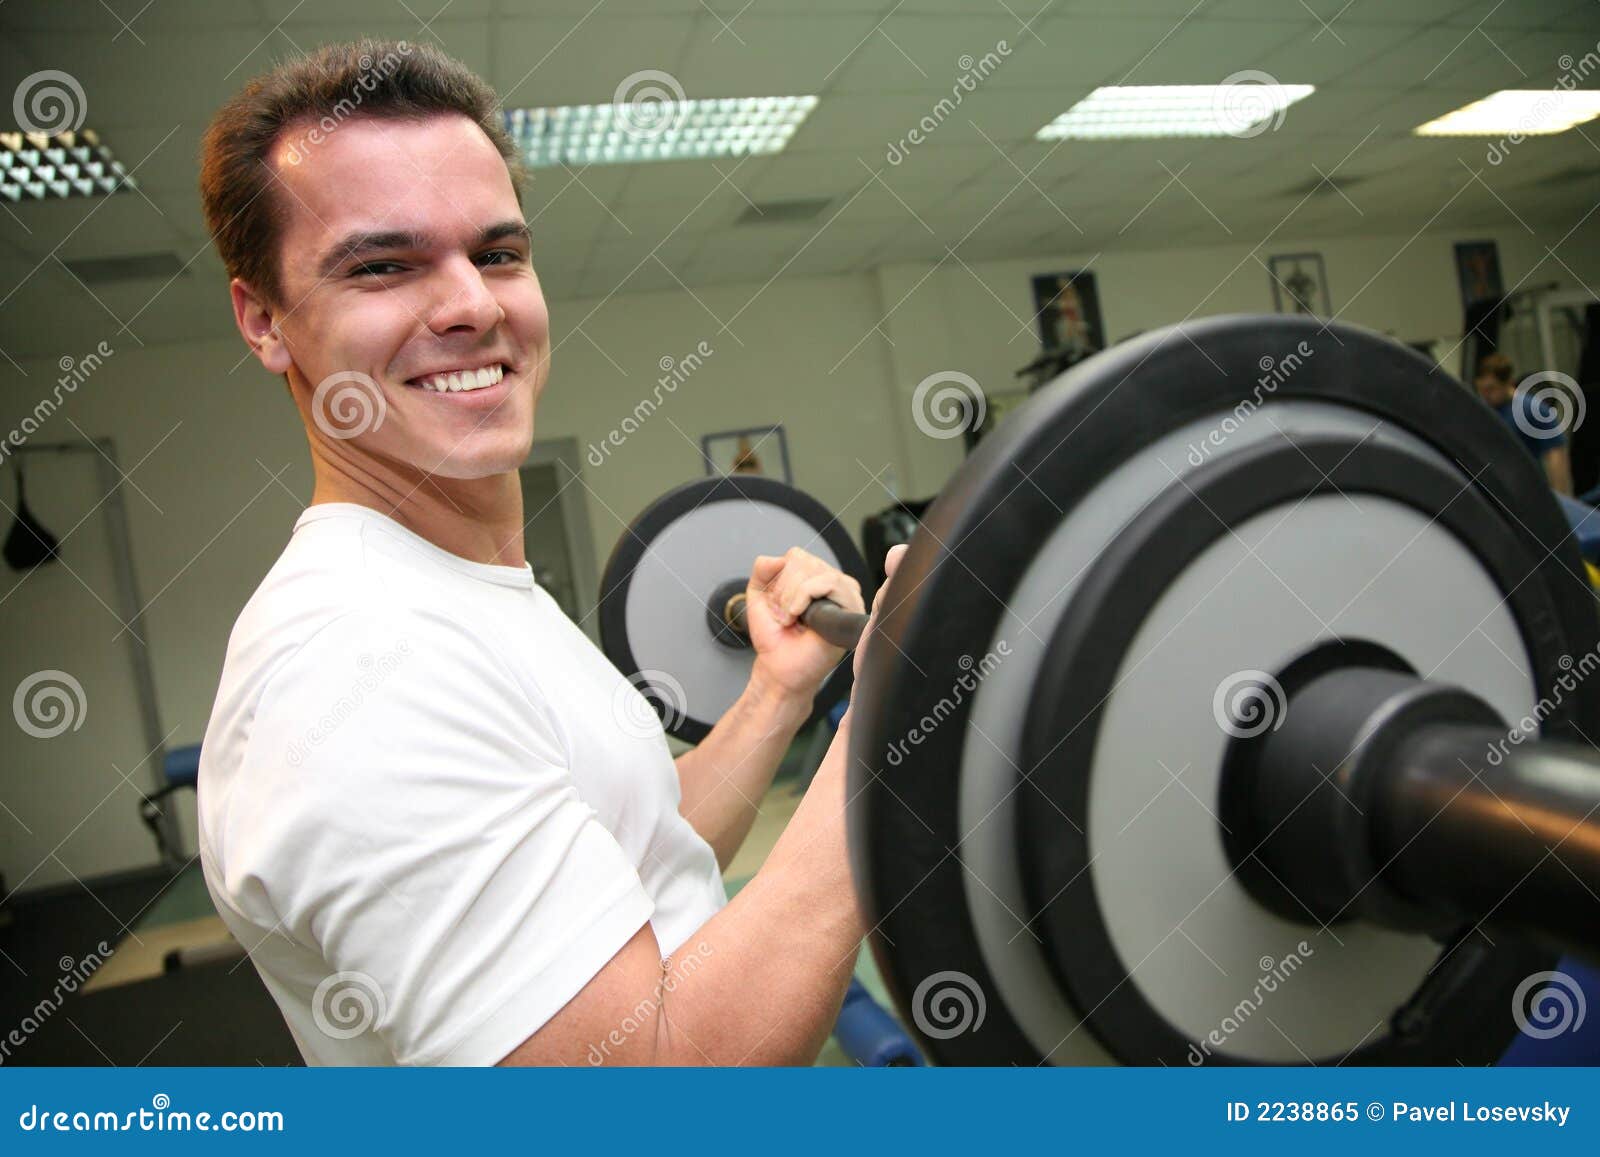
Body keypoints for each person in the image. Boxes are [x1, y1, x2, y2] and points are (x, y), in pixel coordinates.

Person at [195, 39, 895, 1067]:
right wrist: (899, 699)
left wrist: (779, 694)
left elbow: (647, 850)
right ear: (265, 319)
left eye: (496, 253)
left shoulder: (466, 594)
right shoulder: (357, 659)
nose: (472, 304)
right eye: (384, 265)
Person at [1474, 352, 1574, 495]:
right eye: (1481, 390)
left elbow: (1555, 454)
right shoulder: (1482, 410)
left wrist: (1562, 499)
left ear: (1508, 383)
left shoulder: (1532, 409)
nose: (1485, 395)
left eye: (1491, 389)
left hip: (1528, 492)